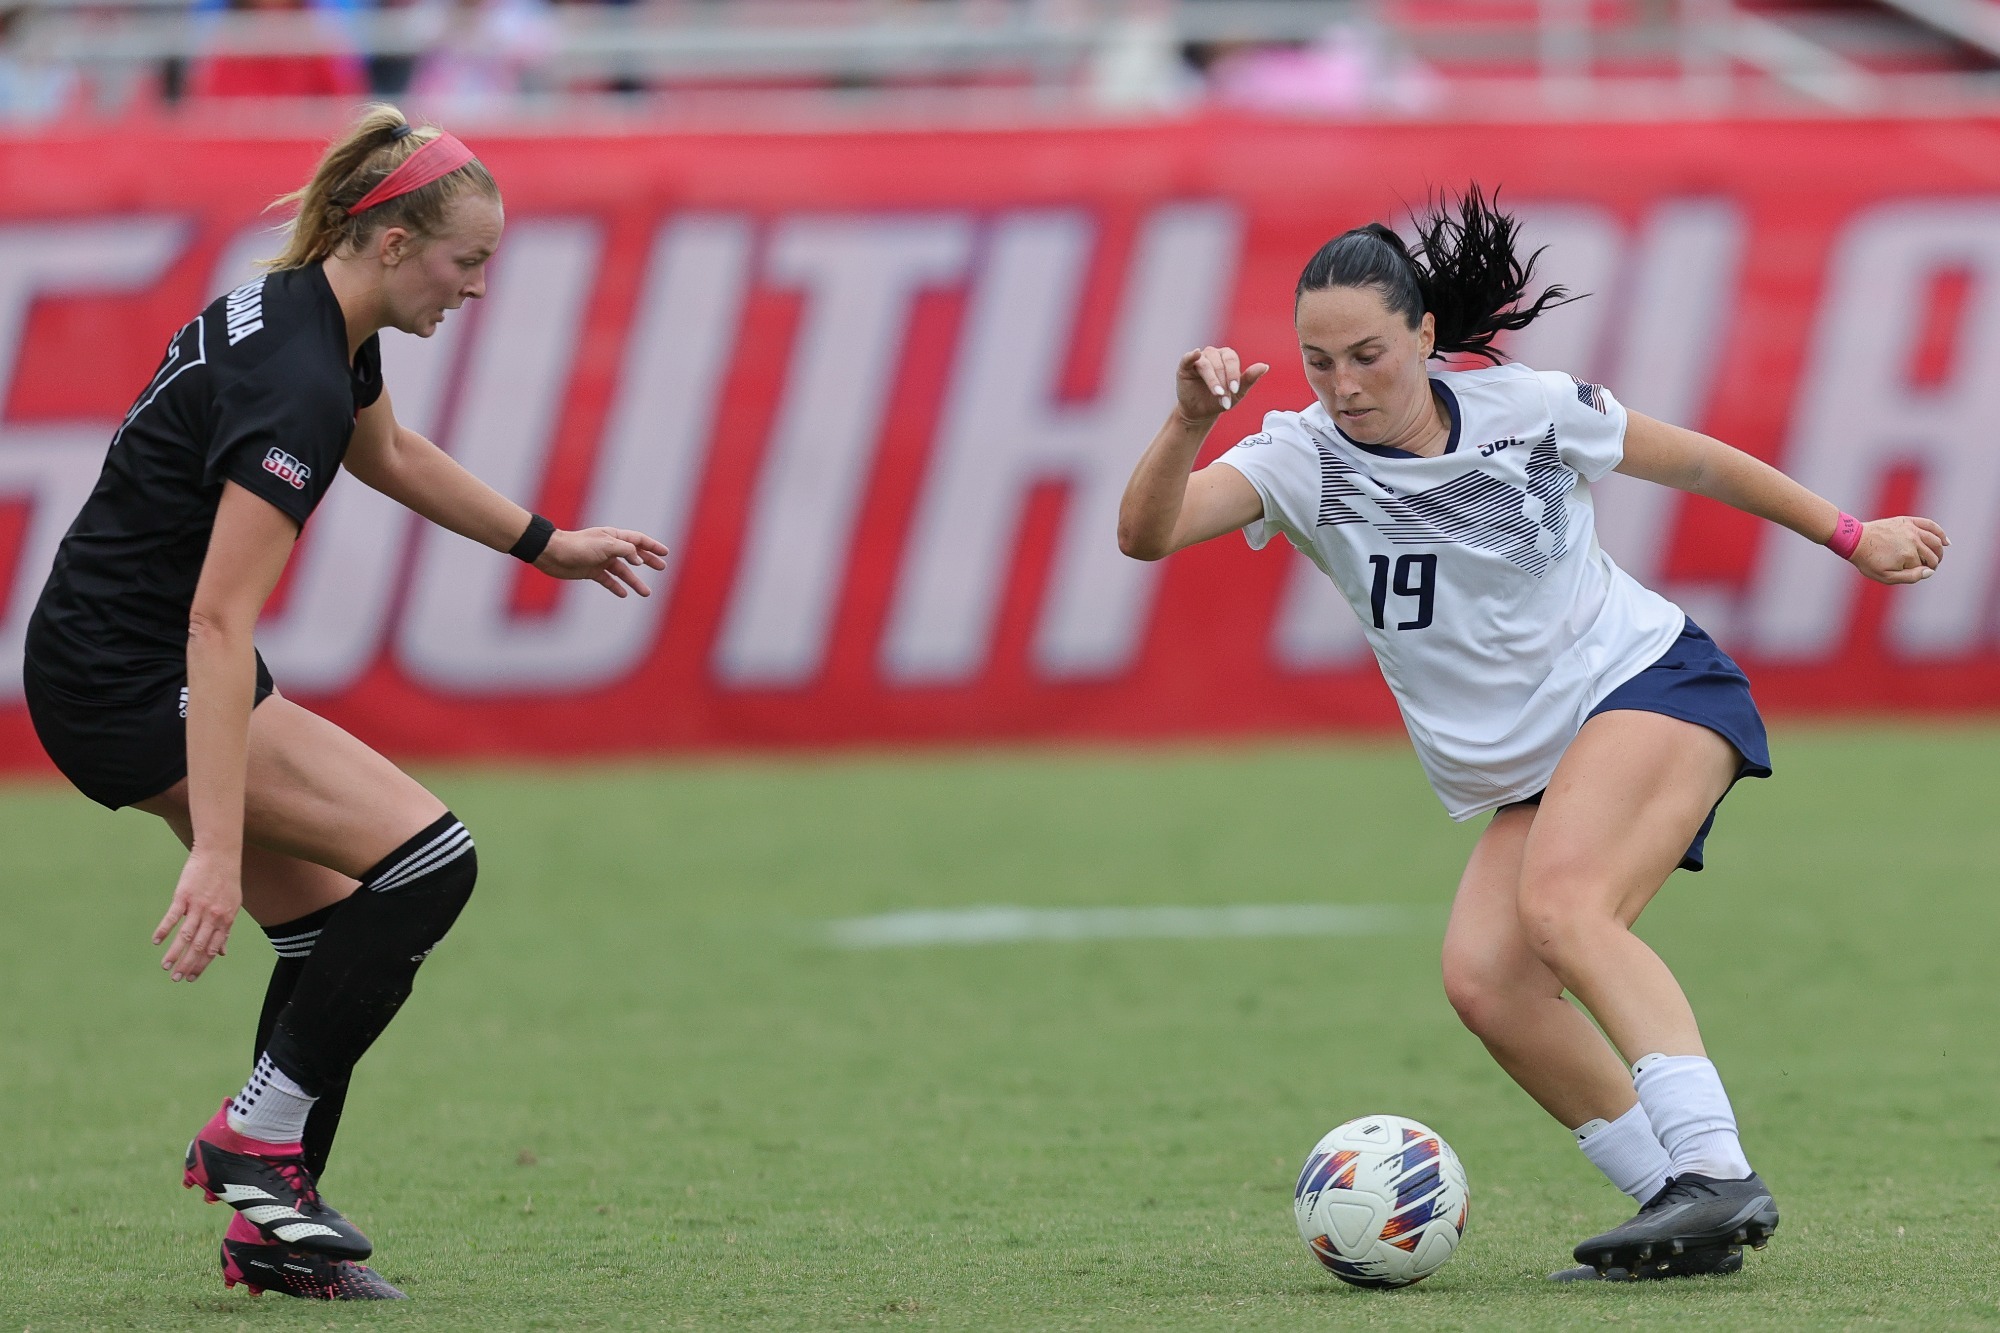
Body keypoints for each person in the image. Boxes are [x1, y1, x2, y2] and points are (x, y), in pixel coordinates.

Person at [1116, 188, 1948, 1283]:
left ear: (1423, 335)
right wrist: (1185, 419)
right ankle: (1673, 1204)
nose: (1345, 384)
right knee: (1486, 983)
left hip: (1652, 682)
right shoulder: (1298, 460)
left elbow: (1694, 461)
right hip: (1539, 762)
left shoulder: (1528, 407)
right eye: (1318, 362)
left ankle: (1713, 1167)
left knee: (1563, 908)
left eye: (1367, 352)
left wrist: (1851, 535)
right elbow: (1146, 535)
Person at [22, 104, 669, 1301]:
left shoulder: (316, 315)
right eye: (464, 260)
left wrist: (548, 545)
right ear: (387, 241)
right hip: (130, 671)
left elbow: (395, 456)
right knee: (430, 861)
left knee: (329, 925)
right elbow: (220, 621)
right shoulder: (298, 375)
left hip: (110, 652)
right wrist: (215, 848)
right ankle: (253, 1144)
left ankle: (272, 1223)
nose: (476, 287)